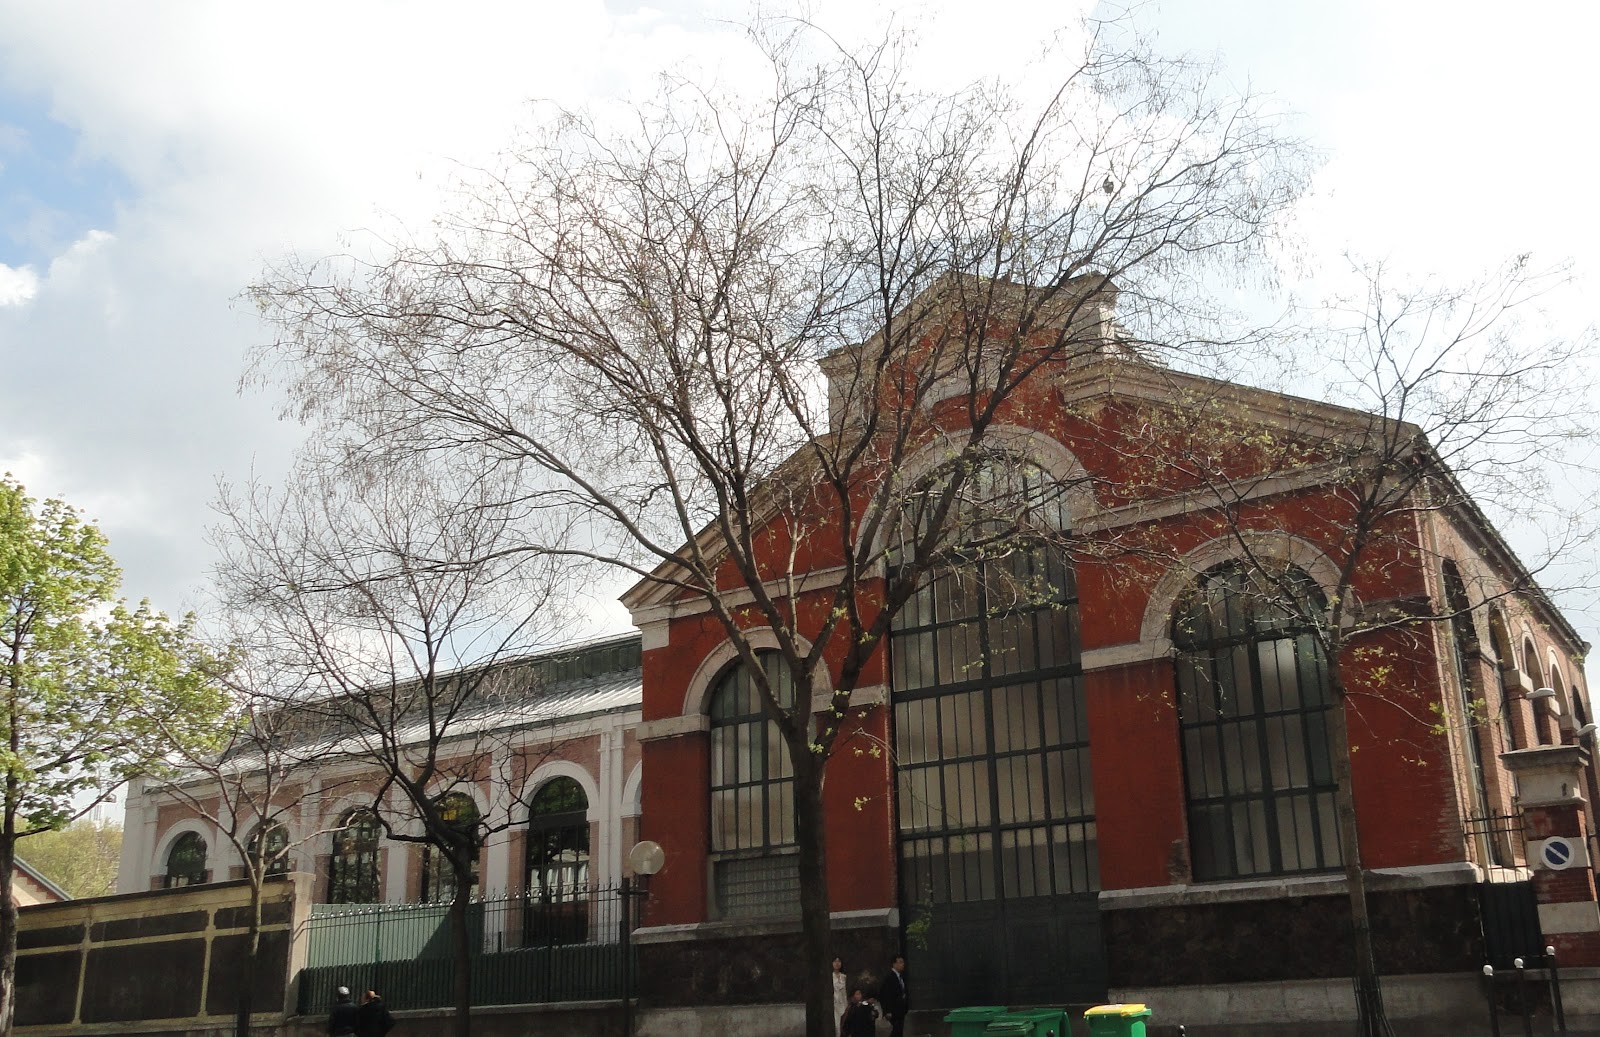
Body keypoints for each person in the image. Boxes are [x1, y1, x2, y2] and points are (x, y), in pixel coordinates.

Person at [877, 955, 909, 1037]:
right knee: (896, 1031)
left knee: (899, 1032)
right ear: (894, 964)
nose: (902, 964)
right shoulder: (889, 978)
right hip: (893, 1012)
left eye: (903, 962)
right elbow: (884, 995)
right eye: (900, 962)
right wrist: (887, 1011)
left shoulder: (901, 977)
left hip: (901, 1011)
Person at [831, 956, 849, 1036]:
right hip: (834, 1004)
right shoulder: (830, 976)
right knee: (836, 1026)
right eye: (835, 961)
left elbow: (845, 992)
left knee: (843, 1026)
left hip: (843, 1004)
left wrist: (847, 1006)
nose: (837, 963)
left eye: (839, 961)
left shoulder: (844, 976)